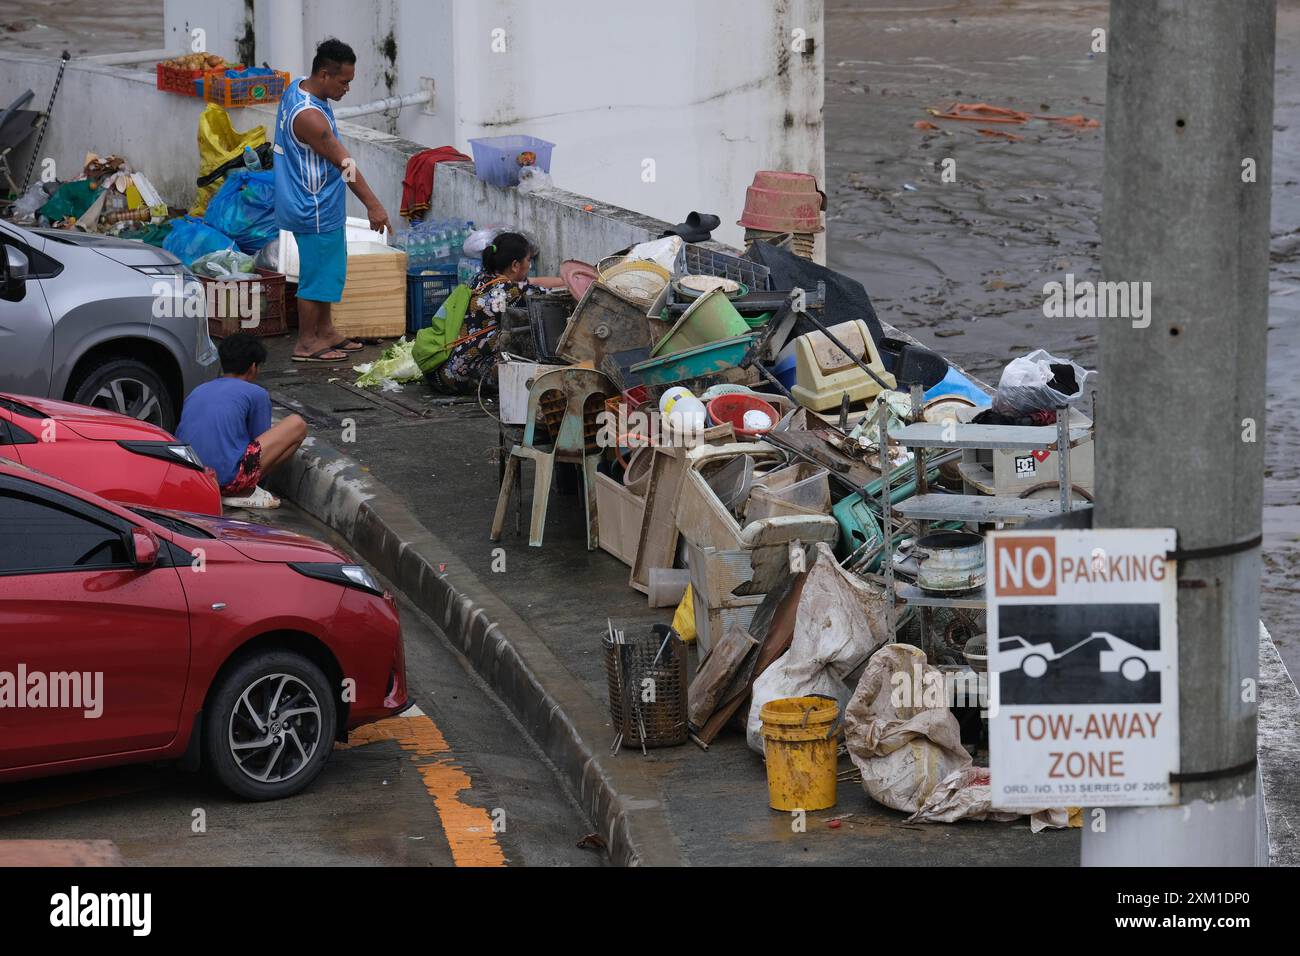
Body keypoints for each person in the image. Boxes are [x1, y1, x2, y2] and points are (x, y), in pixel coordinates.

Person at [274, 38, 392, 364]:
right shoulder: (310, 117)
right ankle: (307, 343)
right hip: (311, 205)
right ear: (324, 75)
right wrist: (374, 205)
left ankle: (326, 331)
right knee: (317, 276)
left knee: (329, 270)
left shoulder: (299, 87)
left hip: (316, 201)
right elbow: (346, 165)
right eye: (344, 82)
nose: (347, 89)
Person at [176, 334, 308, 509]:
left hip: (190, 479)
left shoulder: (199, 390)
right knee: (297, 424)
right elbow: (259, 440)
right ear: (253, 367)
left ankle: (238, 486)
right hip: (227, 482)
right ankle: (246, 490)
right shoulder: (256, 393)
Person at [429, 232, 562, 394]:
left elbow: (532, 283)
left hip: (442, 370)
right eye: (528, 260)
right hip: (460, 377)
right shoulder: (510, 291)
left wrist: (569, 279)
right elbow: (550, 294)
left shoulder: (480, 279)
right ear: (515, 265)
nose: (530, 265)